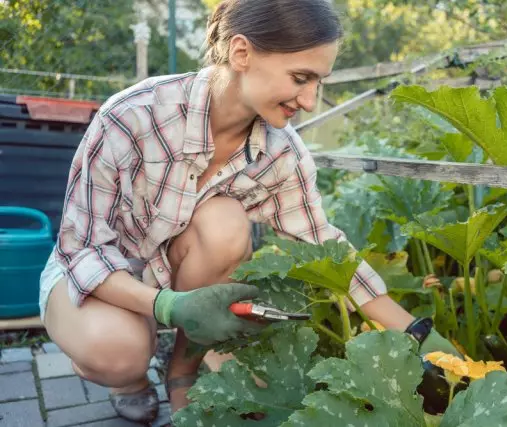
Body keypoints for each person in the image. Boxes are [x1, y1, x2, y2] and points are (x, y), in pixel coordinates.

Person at [38, 0, 459, 423]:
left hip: (177, 275)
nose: (311, 101)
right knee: (119, 351)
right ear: (241, 53)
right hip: (98, 280)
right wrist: (168, 307)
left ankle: (181, 368)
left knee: (224, 224)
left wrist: (415, 334)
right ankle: (127, 379)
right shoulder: (133, 116)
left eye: (319, 82)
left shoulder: (280, 151)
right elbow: (82, 251)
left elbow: (324, 244)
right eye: (301, 78)